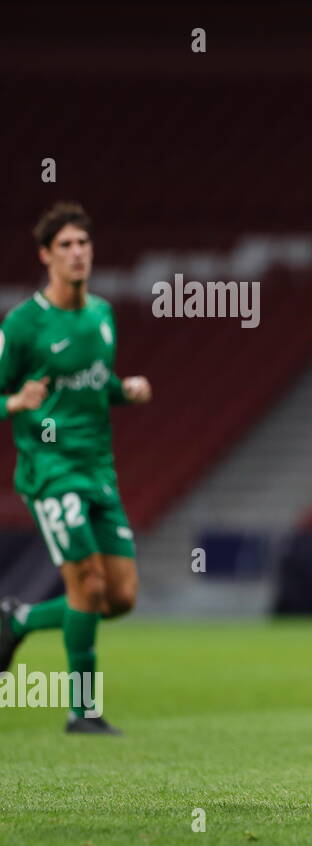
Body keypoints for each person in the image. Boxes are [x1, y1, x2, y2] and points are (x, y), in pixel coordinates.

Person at [0, 202, 153, 734]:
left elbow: (96, 381)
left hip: (98, 471)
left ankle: (18, 619)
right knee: (86, 584)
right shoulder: (23, 325)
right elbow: (4, 393)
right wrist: (14, 403)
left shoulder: (102, 315)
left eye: (83, 243)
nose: (76, 253)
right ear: (45, 256)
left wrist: (124, 390)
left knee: (120, 597)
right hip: (51, 469)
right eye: (64, 245)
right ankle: (82, 710)